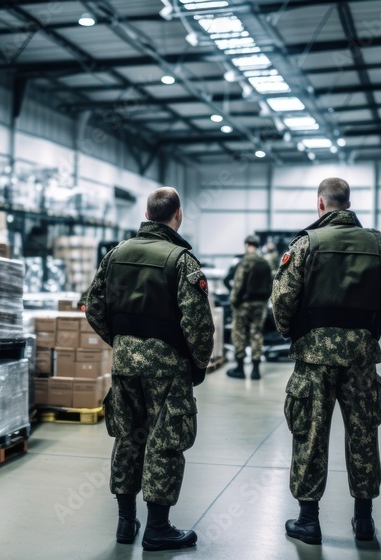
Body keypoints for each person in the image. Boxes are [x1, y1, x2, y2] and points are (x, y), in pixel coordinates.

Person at [271, 177, 381, 544]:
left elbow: (282, 302)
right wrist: (365, 325)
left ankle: (308, 521)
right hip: (361, 358)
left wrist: (297, 332)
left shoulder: (305, 244)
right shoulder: (376, 245)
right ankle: (363, 521)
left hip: (314, 358)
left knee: (310, 433)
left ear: (320, 204)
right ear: (347, 204)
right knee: (363, 434)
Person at [84, 187, 215, 552]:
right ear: (179, 215)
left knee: (127, 437)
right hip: (168, 368)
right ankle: (158, 527)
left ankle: (126, 523)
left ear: (146, 212)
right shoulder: (181, 261)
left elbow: (92, 307)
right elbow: (199, 326)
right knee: (165, 441)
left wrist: (124, 343)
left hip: (125, 364)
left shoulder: (115, 255)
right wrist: (198, 364)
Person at [229, 235, 273, 380]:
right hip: (260, 304)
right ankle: (255, 370)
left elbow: (238, 283)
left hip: (244, 304)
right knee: (257, 334)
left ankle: (240, 368)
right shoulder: (265, 263)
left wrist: (234, 301)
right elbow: (271, 284)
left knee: (239, 333)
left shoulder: (245, 261)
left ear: (246, 244)